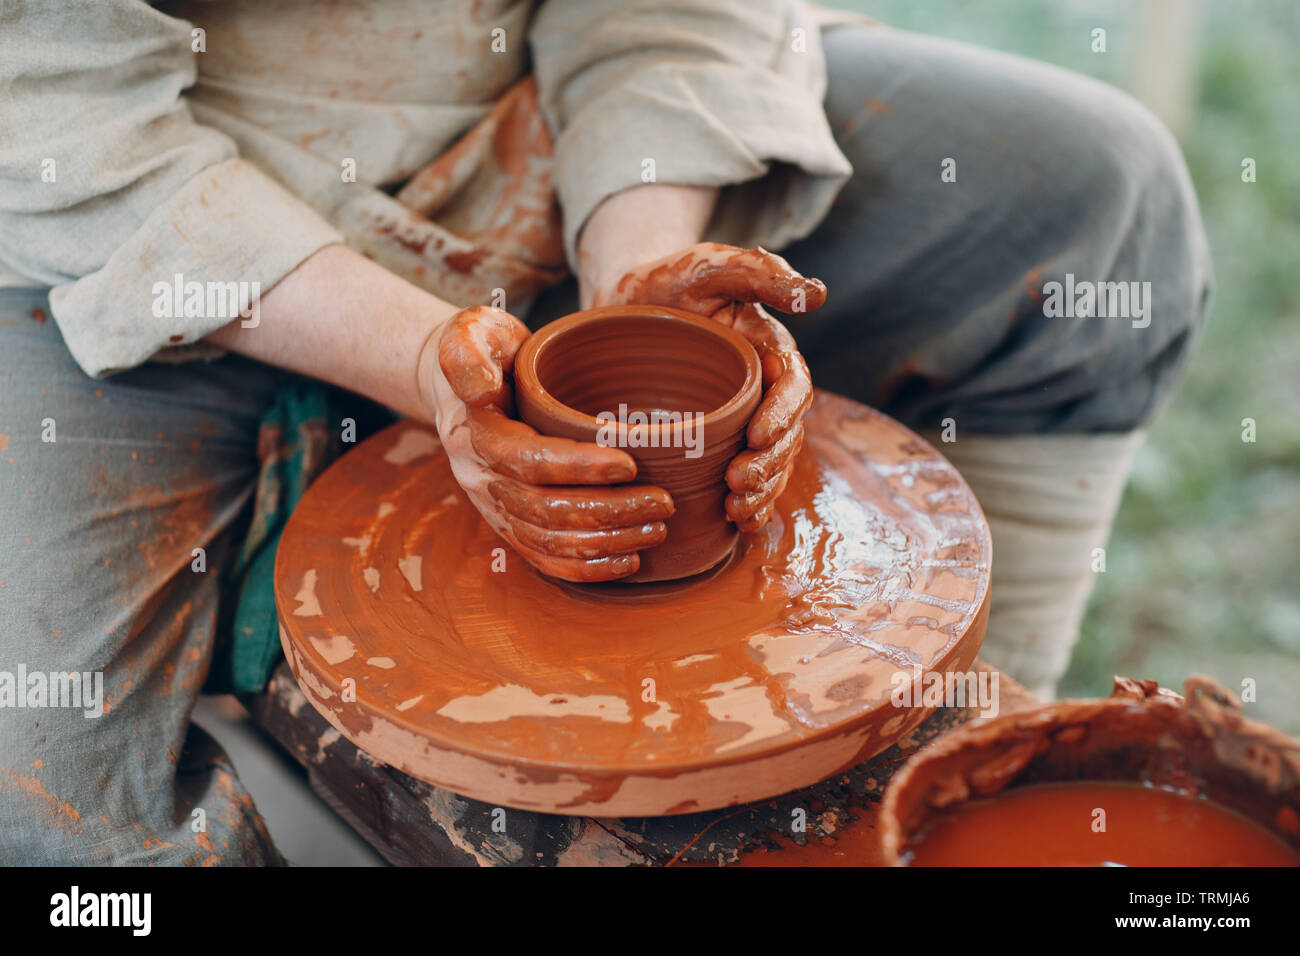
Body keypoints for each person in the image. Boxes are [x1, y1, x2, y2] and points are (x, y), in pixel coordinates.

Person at [0, 0, 1211, 864]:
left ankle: (961, 772)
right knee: (50, 799)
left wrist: (637, 265)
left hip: (536, 113)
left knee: (1095, 191)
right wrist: (417, 357)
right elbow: (49, 101)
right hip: (143, 209)